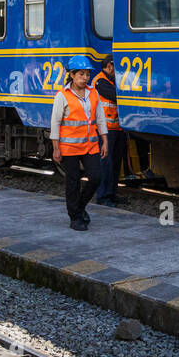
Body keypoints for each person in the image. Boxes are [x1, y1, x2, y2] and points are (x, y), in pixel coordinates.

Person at [50, 55, 109, 231]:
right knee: (73, 182)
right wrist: (55, 148)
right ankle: (75, 218)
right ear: (72, 75)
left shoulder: (93, 93)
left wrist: (104, 141)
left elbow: (100, 118)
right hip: (69, 147)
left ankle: (80, 206)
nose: (85, 78)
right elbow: (55, 122)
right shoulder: (62, 96)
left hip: (90, 145)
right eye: (81, 74)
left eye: (87, 75)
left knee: (96, 177)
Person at [93, 54, 126, 207]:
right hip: (105, 131)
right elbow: (116, 96)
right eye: (114, 66)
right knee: (105, 164)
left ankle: (112, 195)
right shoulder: (100, 81)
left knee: (115, 164)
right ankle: (103, 196)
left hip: (117, 128)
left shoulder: (112, 82)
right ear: (109, 66)